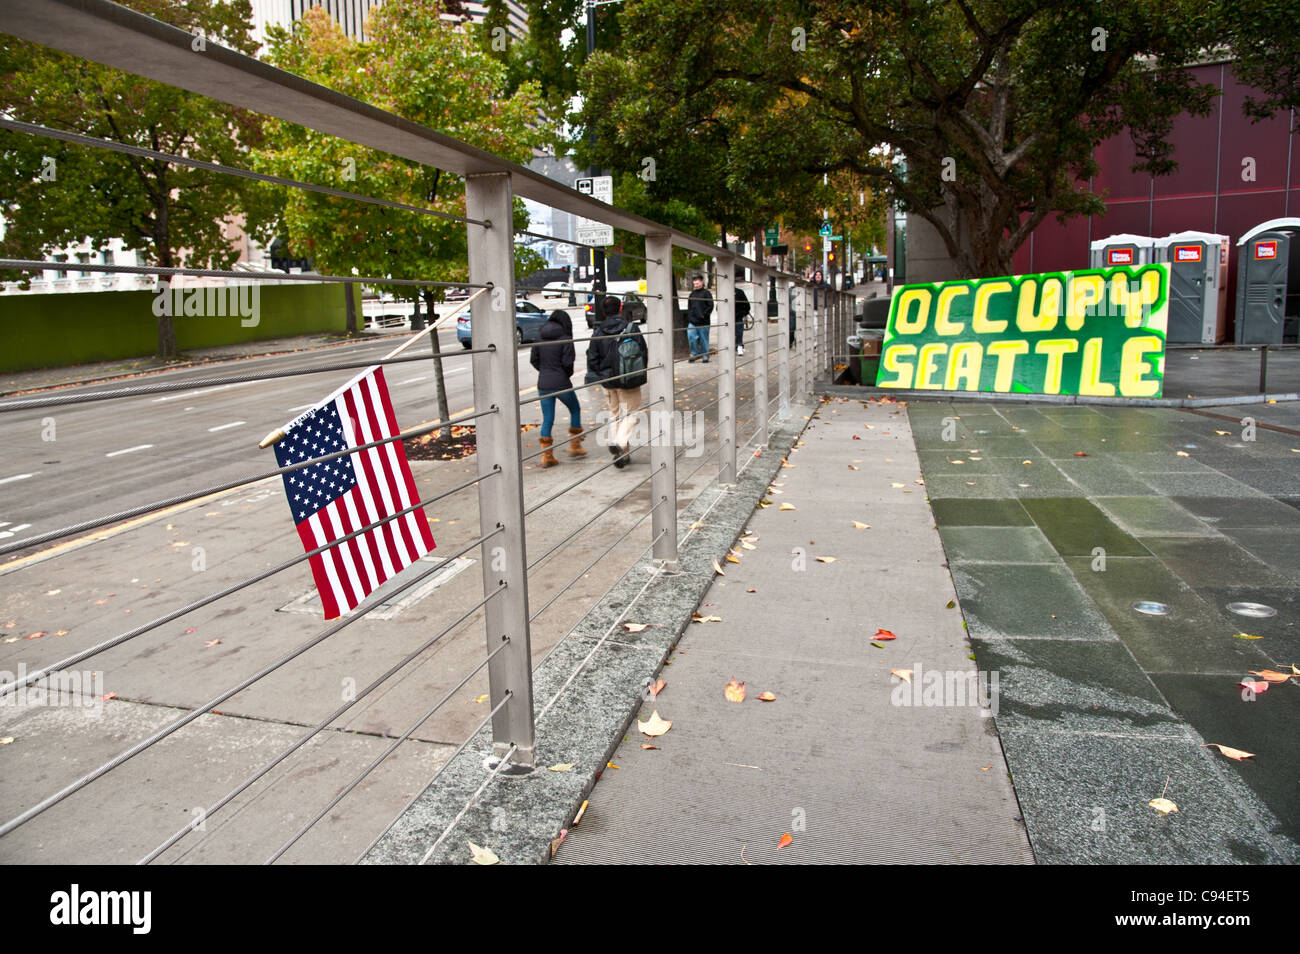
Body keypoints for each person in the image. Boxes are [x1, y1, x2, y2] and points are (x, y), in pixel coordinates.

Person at [587, 295, 648, 468]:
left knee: (615, 415)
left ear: (604, 312)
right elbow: (643, 352)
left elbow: (592, 358)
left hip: (609, 381)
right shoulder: (631, 328)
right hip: (629, 380)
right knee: (631, 414)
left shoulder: (598, 332)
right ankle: (620, 442)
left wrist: (603, 374)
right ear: (620, 308)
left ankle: (623, 455)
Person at [530, 309, 585, 467]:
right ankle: (575, 446)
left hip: (543, 383)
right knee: (575, 410)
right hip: (561, 382)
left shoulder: (539, 336)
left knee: (548, 419)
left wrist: (545, 372)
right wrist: (563, 374)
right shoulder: (566, 338)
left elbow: (534, 360)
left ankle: (547, 457)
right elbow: (568, 363)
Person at [686, 274, 713, 363]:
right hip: (693, 321)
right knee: (691, 336)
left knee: (704, 339)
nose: (696, 285)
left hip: (703, 321)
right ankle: (694, 353)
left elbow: (710, 306)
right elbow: (689, 307)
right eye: (695, 284)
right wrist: (690, 317)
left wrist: (704, 315)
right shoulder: (692, 294)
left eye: (697, 283)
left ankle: (705, 355)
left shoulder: (706, 293)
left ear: (701, 282)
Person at [734, 269, 751, 356]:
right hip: (728, 318)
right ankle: (736, 346)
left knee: (739, 332)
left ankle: (739, 346)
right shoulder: (723, 293)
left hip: (738, 317)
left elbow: (747, 306)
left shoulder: (739, 292)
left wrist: (742, 313)